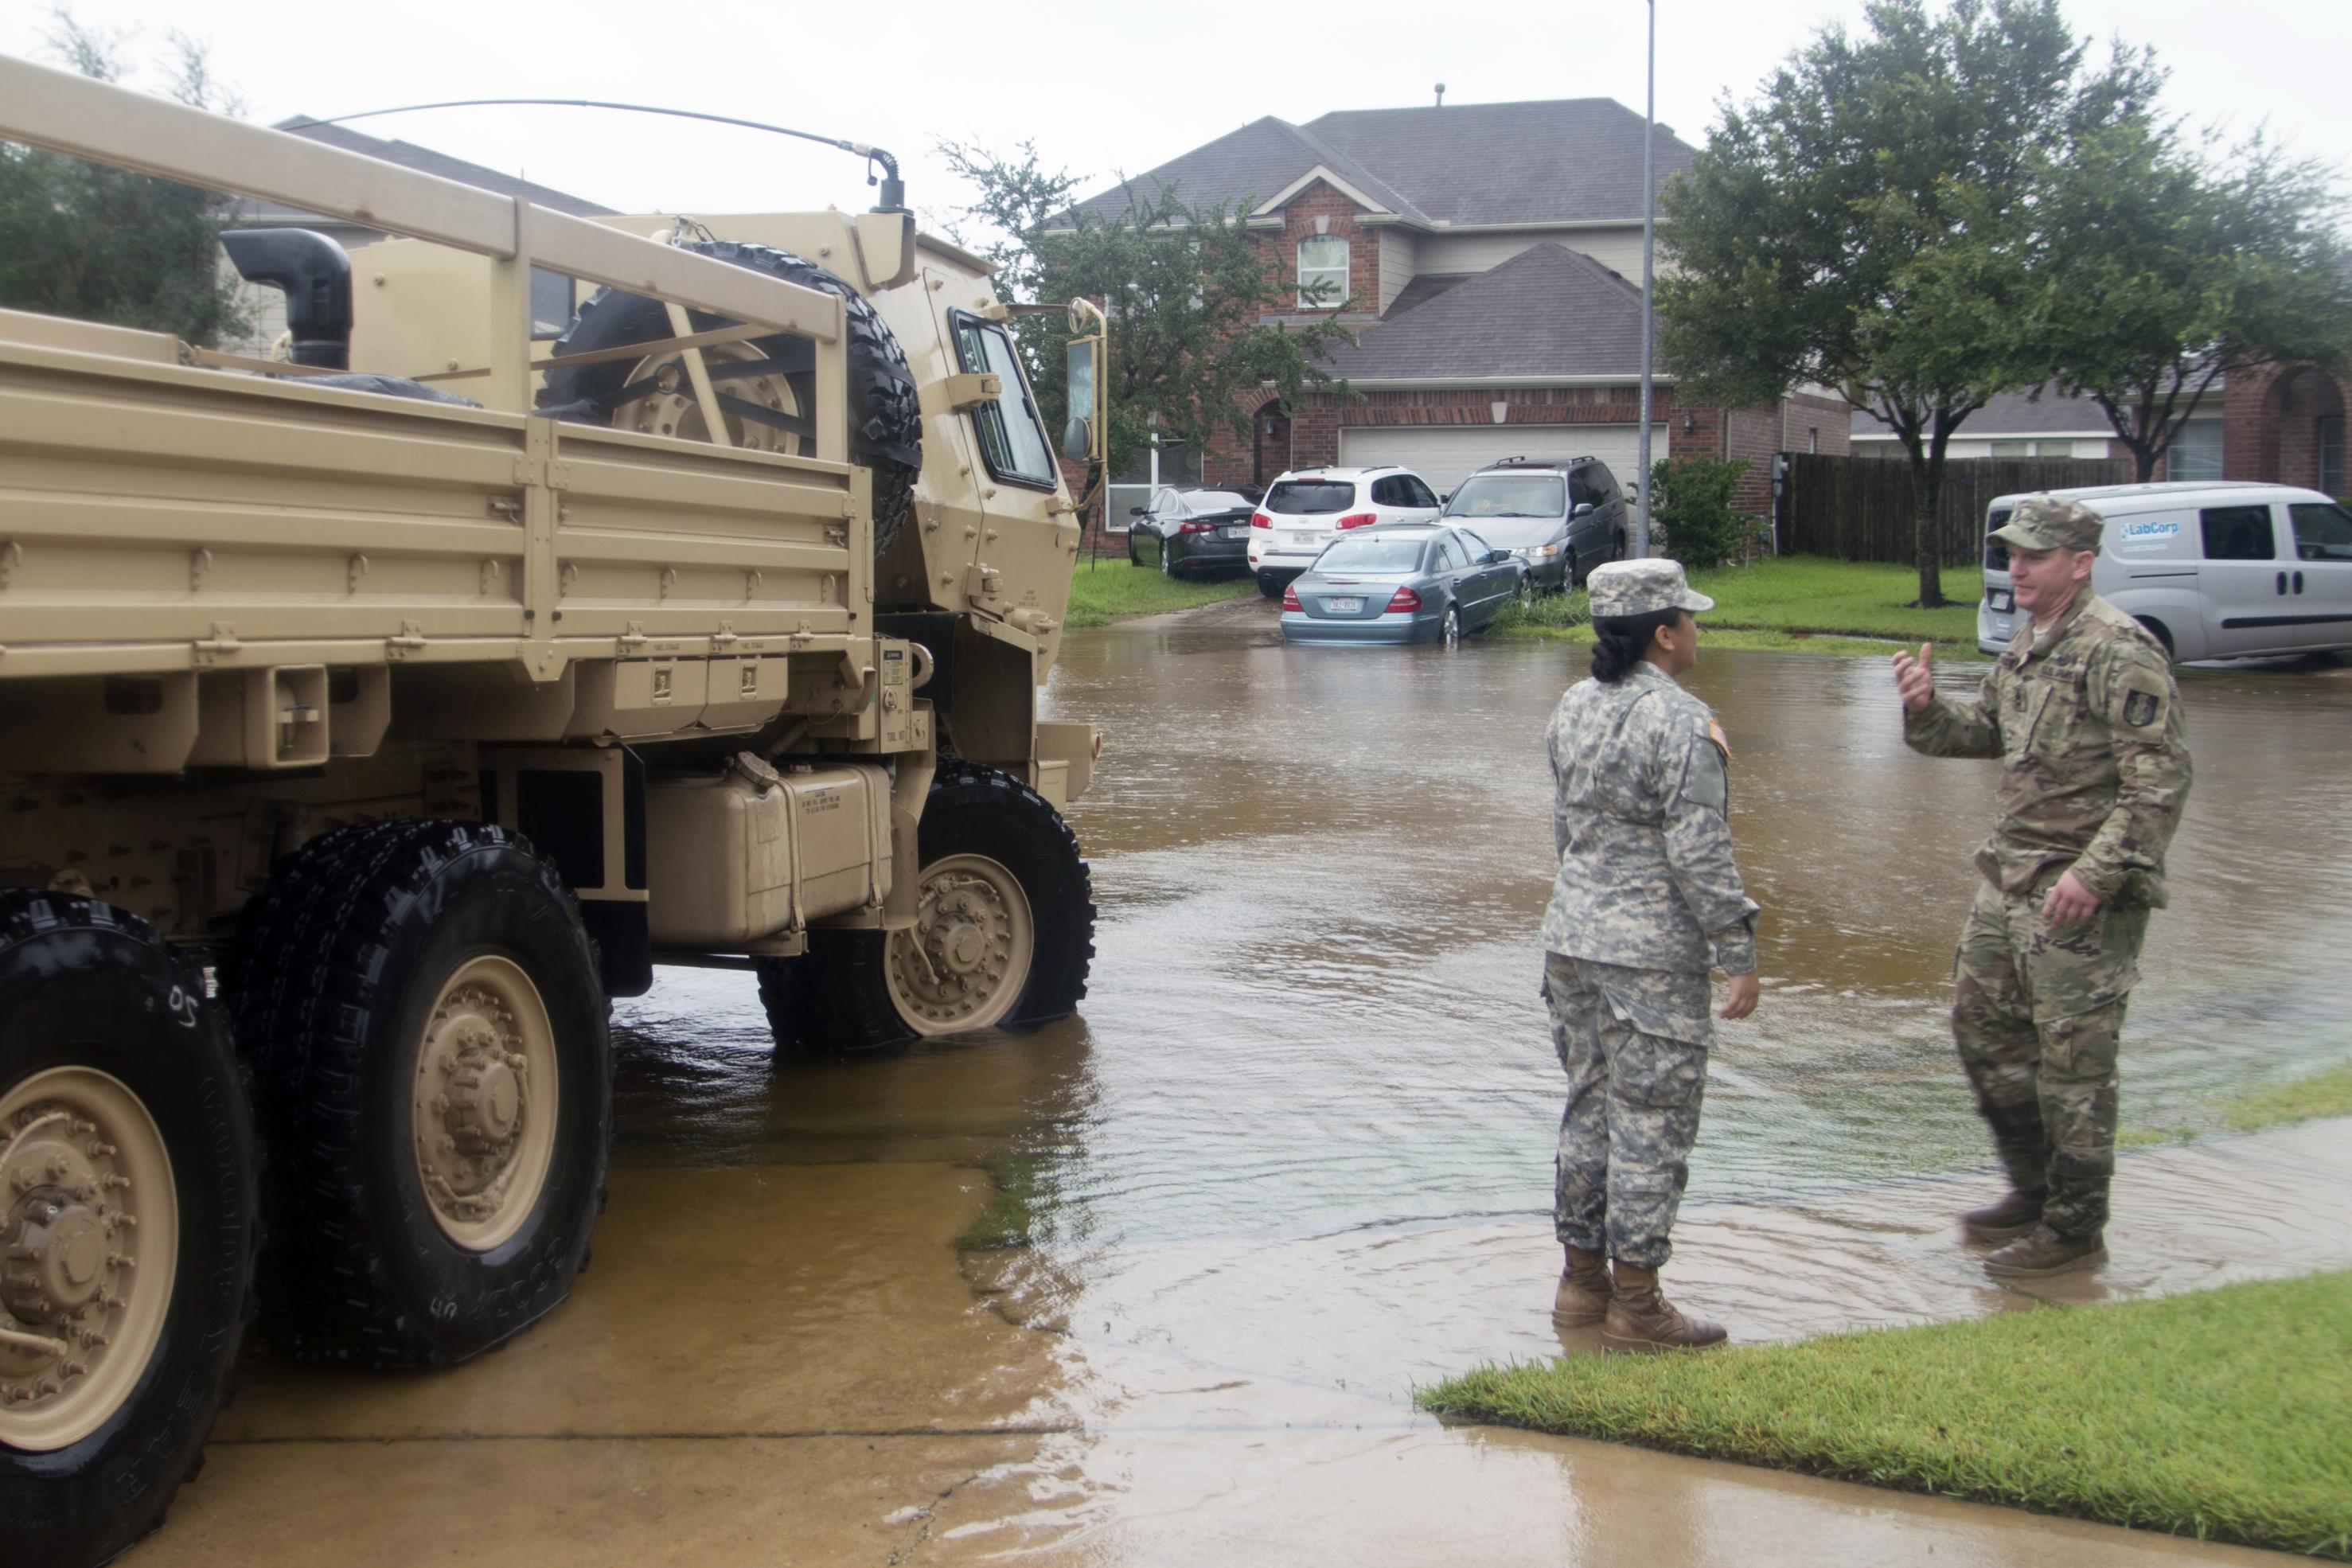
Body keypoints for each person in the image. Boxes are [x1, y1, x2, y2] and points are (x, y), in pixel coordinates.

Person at [1894, 495, 2191, 1278]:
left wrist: (2095, 875)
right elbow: (1984, 733)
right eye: (2012, 554)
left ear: (2080, 562)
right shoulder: (2029, 644)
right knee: (1982, 1030)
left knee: (2074, 1066)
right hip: (2011, 877)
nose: (2016, 568)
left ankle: (2073, 1228)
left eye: (2033, 555)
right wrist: (1927, 710)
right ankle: (2032, 1190)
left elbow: (2158, 784)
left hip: (2082, 893)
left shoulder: (2120, 649)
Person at [1541, 558, 1760, 1352]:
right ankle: (1637, 1301)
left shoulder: (1574, 705)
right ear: (1663, 634)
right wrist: (1740, 952)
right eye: (1689, 618)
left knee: (1588, 1108)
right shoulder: (1680, 720)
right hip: (1650, 956)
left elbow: (1564, 828)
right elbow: (1700, 852)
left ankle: (1580, 1287)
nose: (1699, 629)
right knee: (1650, 1123)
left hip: (1571, 939)